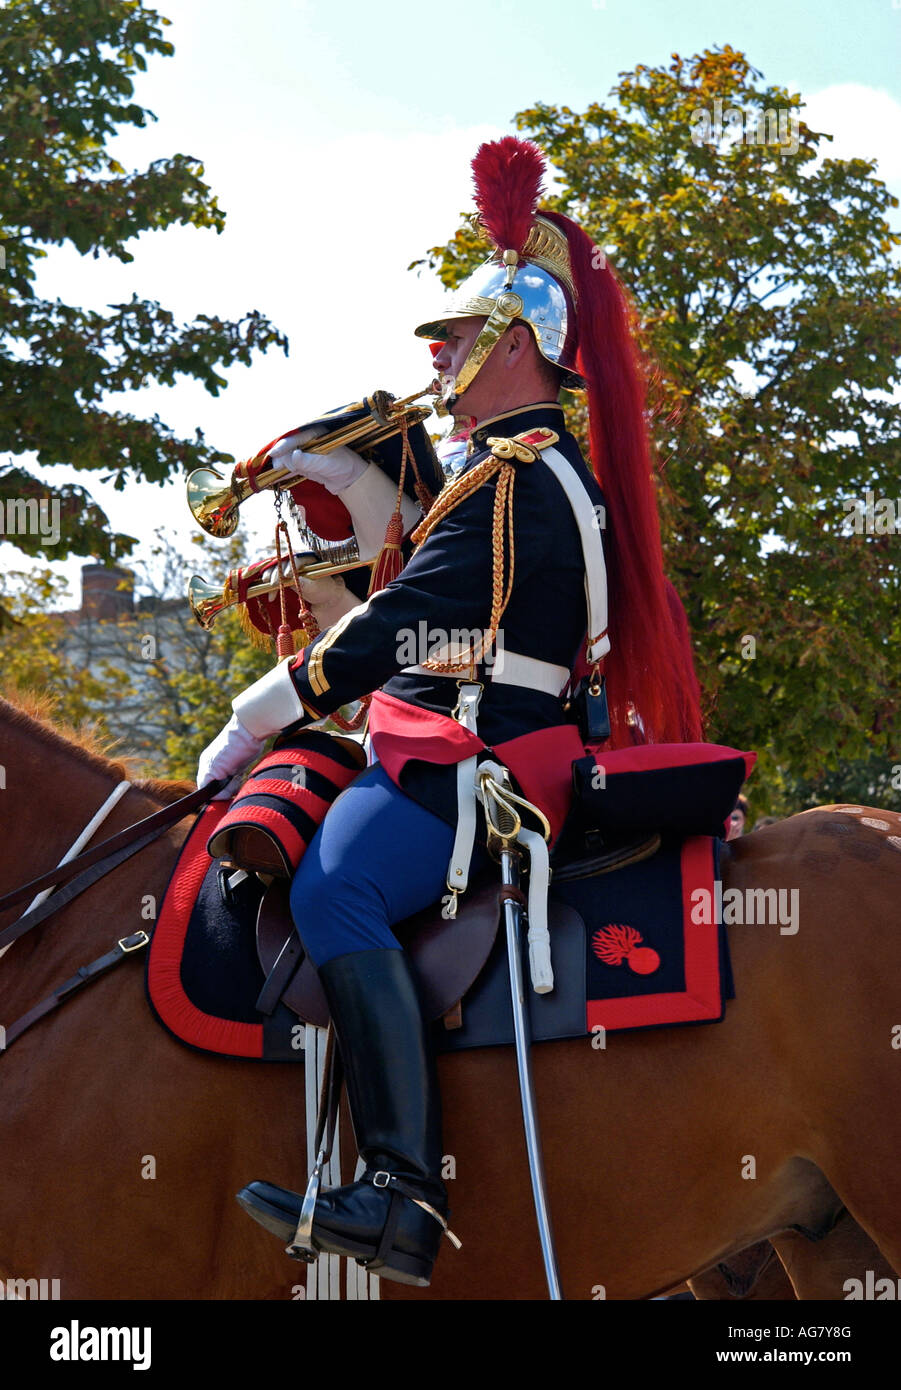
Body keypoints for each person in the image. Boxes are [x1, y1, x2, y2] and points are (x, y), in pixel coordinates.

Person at [196, 136, 703, 1286]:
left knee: (336, 887)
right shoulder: (524, 472)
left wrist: (256, 712)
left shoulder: (515, 481)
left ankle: (399, 1191)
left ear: (515, 346)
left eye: (459, 336)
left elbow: (394, 633)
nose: (438, 351)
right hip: (494, 737)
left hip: (479, 756)